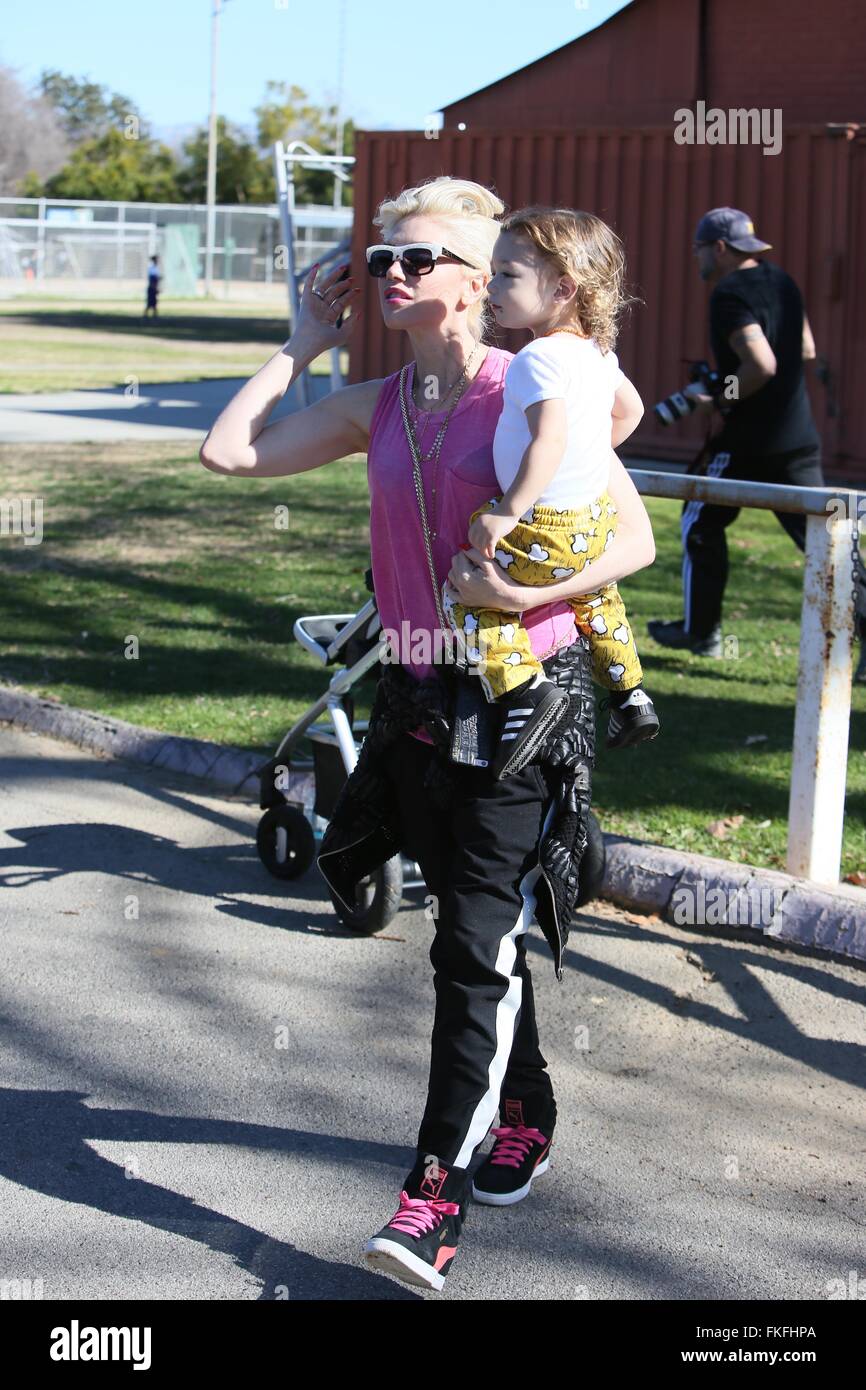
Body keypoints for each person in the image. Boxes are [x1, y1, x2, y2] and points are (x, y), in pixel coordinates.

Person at [199, 176, 656, 1294]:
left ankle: (429, 1204)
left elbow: (635, 540)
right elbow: (229, 455)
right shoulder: (378, 400)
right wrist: (301, 342)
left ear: (475, 280)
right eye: (377, 262)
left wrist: (508, 600)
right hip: (413, 699)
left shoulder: (533, 380)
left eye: (415, 260)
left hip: (516, 701)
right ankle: (528, 1105)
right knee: (472, 927)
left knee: (468, 952)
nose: (388, 276)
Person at [441, 205, 659, 778]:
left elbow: (548, 440)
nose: (493, 285)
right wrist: (593, 453)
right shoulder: (596, 355)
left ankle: (521, 691)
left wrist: (507, 511)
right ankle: (631, 693)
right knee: (595, 595)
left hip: (541, 526)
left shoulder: (534, 358)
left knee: (465, 593)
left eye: (509, 274)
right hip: (591, 524)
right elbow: (631, 411)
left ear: (563, 287)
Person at [648, 206, 866, 680]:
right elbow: (804, 349)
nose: (697, 258)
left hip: (748, 442)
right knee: (823, 543)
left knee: (698, 519)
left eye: (699, 249)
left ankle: (700, 631)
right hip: (797, 439)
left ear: (719, 249)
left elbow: (761, 364)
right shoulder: (781, 281)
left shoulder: (728, 293)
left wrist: (716, 394)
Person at [144, 255, 160, 319]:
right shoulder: (152, 268)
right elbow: (152, 280)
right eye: (156, 260)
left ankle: (154, 316)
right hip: (152, 288)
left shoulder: (155, 268)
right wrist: (155, 288)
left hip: (153, 288)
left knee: (154, 303)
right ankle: (146, 316)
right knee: (150, 303)